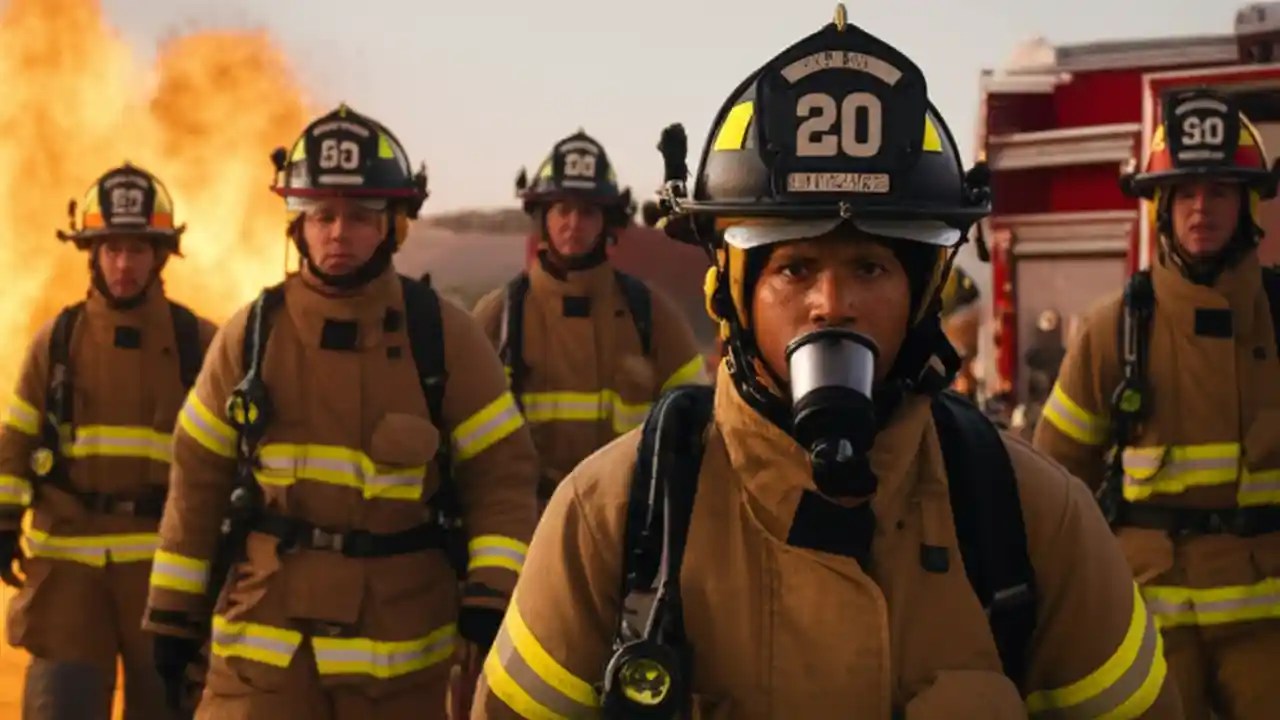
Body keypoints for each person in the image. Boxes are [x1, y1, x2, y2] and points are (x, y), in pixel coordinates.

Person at [471, 6, 1181, 719]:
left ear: (925, 291)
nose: (831, 304)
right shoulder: (614, 515)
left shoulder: (1031, 515)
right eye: (795, 267)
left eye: (871, 266)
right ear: (734, 293)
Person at [140, 104, 540, 719]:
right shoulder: (251, 337)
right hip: (264, 651)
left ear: (394, 226)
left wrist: (491, 595)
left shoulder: (445, 338)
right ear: (297, 225)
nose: (338, 234)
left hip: (401, 655)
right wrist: (172, 611)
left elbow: (502, 474)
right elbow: (198, 478)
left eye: (359, 217)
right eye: (322, 215)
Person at [1034, 87, 1280, 719]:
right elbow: (1053, 488)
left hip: (1270, 623)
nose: (1203, 209)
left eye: (1221, 190)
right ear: (1160, 209)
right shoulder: (1112, 330)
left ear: (1248, 203)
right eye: (1186, 193)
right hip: (1151, 619)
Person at [0, 163, 217, 720]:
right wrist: (2, 520)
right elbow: (16, 440)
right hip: (67, 578)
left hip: (165, 580)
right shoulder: (58, 341)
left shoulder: (200, 345)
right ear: (91, 252)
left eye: (138, 249)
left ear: (161, 254)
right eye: (112, 249)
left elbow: (228, 465)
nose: (124, 264)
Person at [472, 131, 707, 502]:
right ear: (542, 216)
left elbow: (698, 421)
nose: (573, 224)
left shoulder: (650, 314)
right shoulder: (500, 316)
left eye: (588, 212)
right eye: (563, 209)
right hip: (530, 524)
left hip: (626, 522)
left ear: (608, 220)